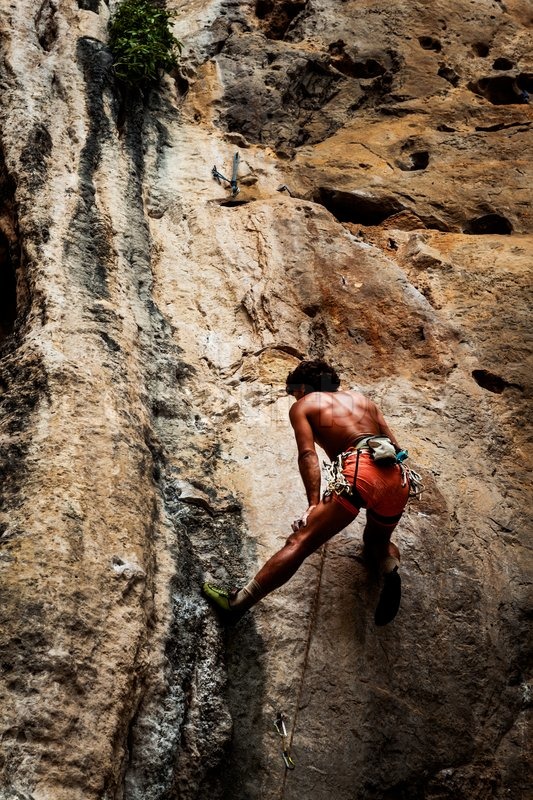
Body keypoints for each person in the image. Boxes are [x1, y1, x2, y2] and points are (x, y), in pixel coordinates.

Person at [202, 359, 413, 626]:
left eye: (294, 392)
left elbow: (307, 454)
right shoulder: (363, 401)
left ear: (302, 388)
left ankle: (238, 602)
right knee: (376, 544)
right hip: (397, 478)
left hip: (361, 471)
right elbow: (395, 446)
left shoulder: (305, 405)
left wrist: (312, 503)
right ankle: (390, 568)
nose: (294, 397)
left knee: (300, 541)